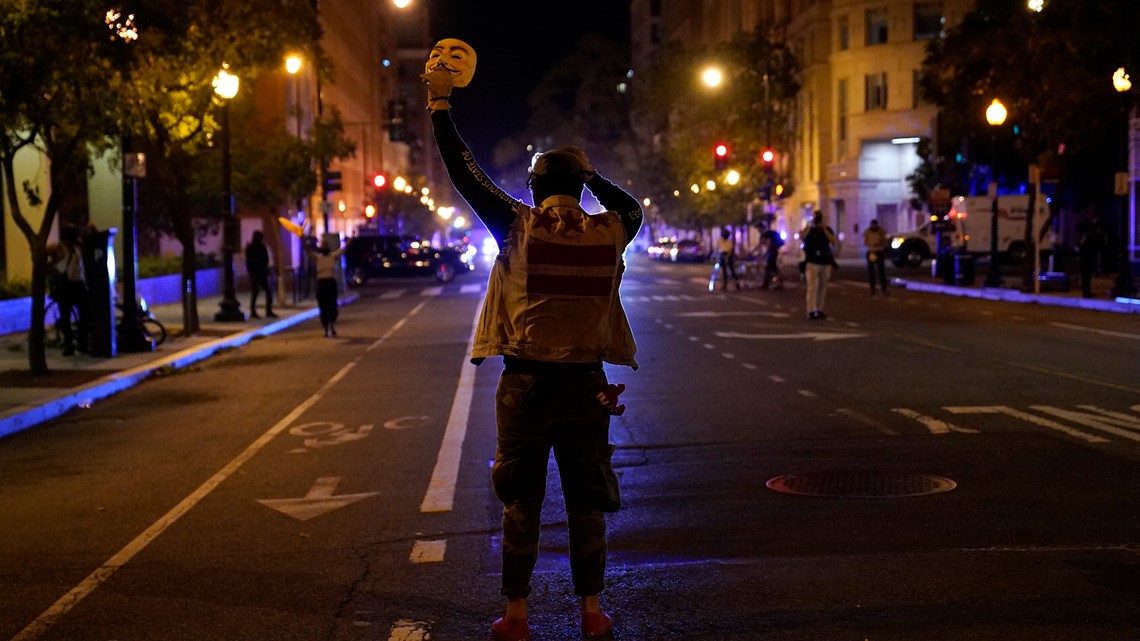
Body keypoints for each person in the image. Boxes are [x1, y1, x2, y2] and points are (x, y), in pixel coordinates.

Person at [424, 56, 641, 641]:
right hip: (588, 386)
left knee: (520, 500)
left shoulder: (517, 226)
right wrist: (592, 174)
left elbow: (464, 173)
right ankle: (592, 613)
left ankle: (516, 617)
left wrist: (441, 103)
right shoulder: (610, 230)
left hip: (524, 386)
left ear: (536, 189)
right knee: (587, 500)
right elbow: (633, 207)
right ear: (578, 187)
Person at [47, 225, 89, 355]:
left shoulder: (67, 248)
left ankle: (71, 345)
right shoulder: (73, 248)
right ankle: (79, 344)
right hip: (74, 285)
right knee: (81, 316)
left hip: (69, 286)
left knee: (67, 317)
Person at [801, 210, 839, 320]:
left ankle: (819, 309)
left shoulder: (827, 230)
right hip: (812, 261)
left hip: (825, 261)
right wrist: (810, 225)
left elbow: (833, 240)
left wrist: (824, 228)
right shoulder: (810, 230)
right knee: (812, 287)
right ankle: (811, 310)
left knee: (822, 287)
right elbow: (802, 236)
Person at [306, 236, 345, 337]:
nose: (324, 247)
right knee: (323, 307)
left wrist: (351, 238)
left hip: (330, 283)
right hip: (322, 284)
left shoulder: (333, 256)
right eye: (322, 245)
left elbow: (344, 249)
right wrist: (301, 238)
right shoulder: (318, 257)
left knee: (332, 307)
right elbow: (307, 250)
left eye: (325, 245)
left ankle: (332, 325)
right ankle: (326, 329)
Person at [244, 230, 276, 318]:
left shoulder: (262, 247)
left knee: (267, 292)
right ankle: (254, 312)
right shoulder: (251, 248)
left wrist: (265, 269)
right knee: (256, 292)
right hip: (256, 273)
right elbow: (249, 262)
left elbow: (265, 259)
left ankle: (268, 311)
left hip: (261, 273)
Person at [1076, 215, 1105, 298]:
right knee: (1086, 273)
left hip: (1088, 254)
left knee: (1087, 273)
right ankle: (1086, 291)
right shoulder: (1089, 230)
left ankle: (1086, 291)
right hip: (1087, 254)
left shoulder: (1091, 231)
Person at [862, 219, 889, 295]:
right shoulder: (867, 232)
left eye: (875, 225)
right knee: (871, 272)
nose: (873, 226)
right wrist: (870, 244)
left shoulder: (881, 231)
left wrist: (878, 244)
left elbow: (883, 241)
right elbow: (865, 241)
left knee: (881, 271)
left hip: (879, 252)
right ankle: (872, 289)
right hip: (871, 252)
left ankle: (884, 288)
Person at [759, 222, 784, 290]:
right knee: (774, 268)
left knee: (768, 268)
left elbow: (766, 244)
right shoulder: (769, 232)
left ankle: (766, 284)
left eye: (759, 229)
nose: (758, 230)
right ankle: (780, 283)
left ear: (761, 228)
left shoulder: (765, 234)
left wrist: (765, 253)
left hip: (772, 252)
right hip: (774, 251)